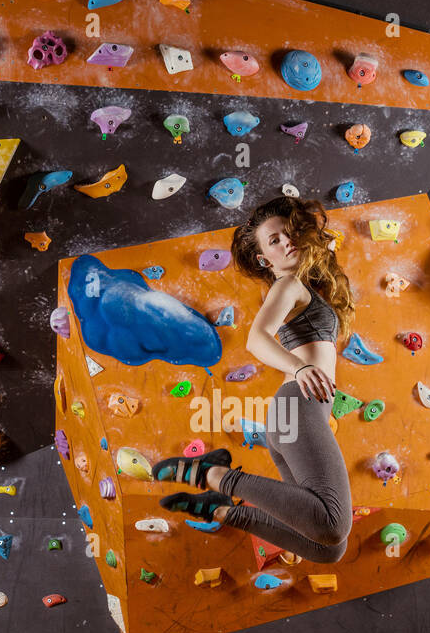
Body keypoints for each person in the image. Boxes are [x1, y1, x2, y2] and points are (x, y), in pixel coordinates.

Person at [151, 196, 354, 563]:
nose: (285, 242)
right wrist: (300, 368)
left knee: (327, 549)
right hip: (299, 407)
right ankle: (212, 475)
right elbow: (256, 339)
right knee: (333, 524)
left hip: (294, 417)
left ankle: (223, 509)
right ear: (264, 259)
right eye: (273, 240)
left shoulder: (303, 286)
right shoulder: (287, 285)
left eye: (288, 233)